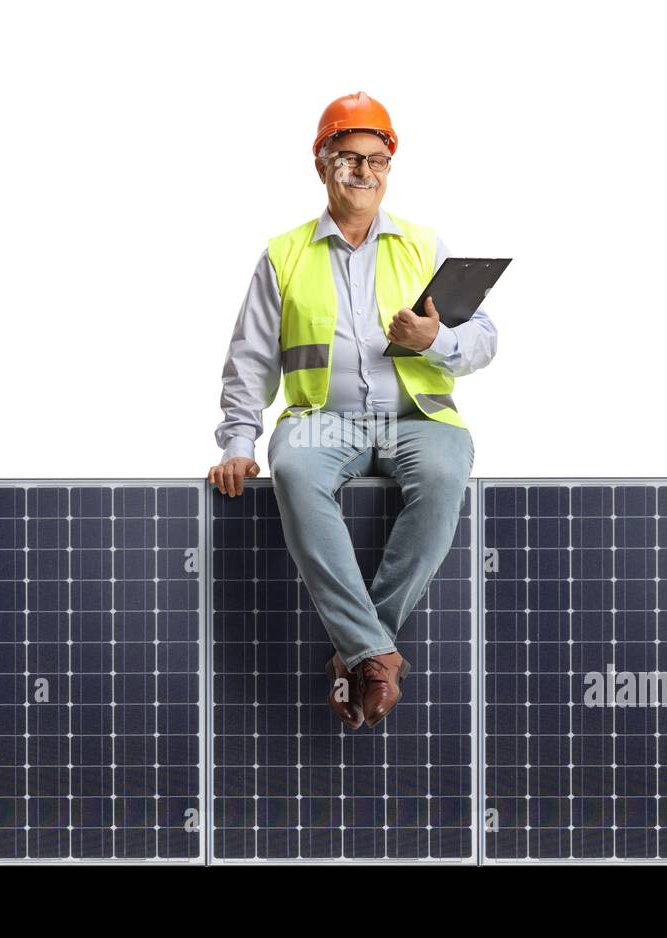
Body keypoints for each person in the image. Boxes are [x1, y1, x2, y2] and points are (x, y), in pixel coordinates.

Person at [209, 91, 497, 728]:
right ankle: (375, 653)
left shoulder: (425, 245)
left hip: (416, 418)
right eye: (348, 158)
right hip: (323, 421)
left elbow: (484, 339)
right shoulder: (283, 255)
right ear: (322, 165)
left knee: (446, 478)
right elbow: (250, 356)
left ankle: (364, 652)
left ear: (389, 168)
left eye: (376, 160)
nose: (363, 172)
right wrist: (238, 442)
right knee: (294, 474)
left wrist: (437, 341)